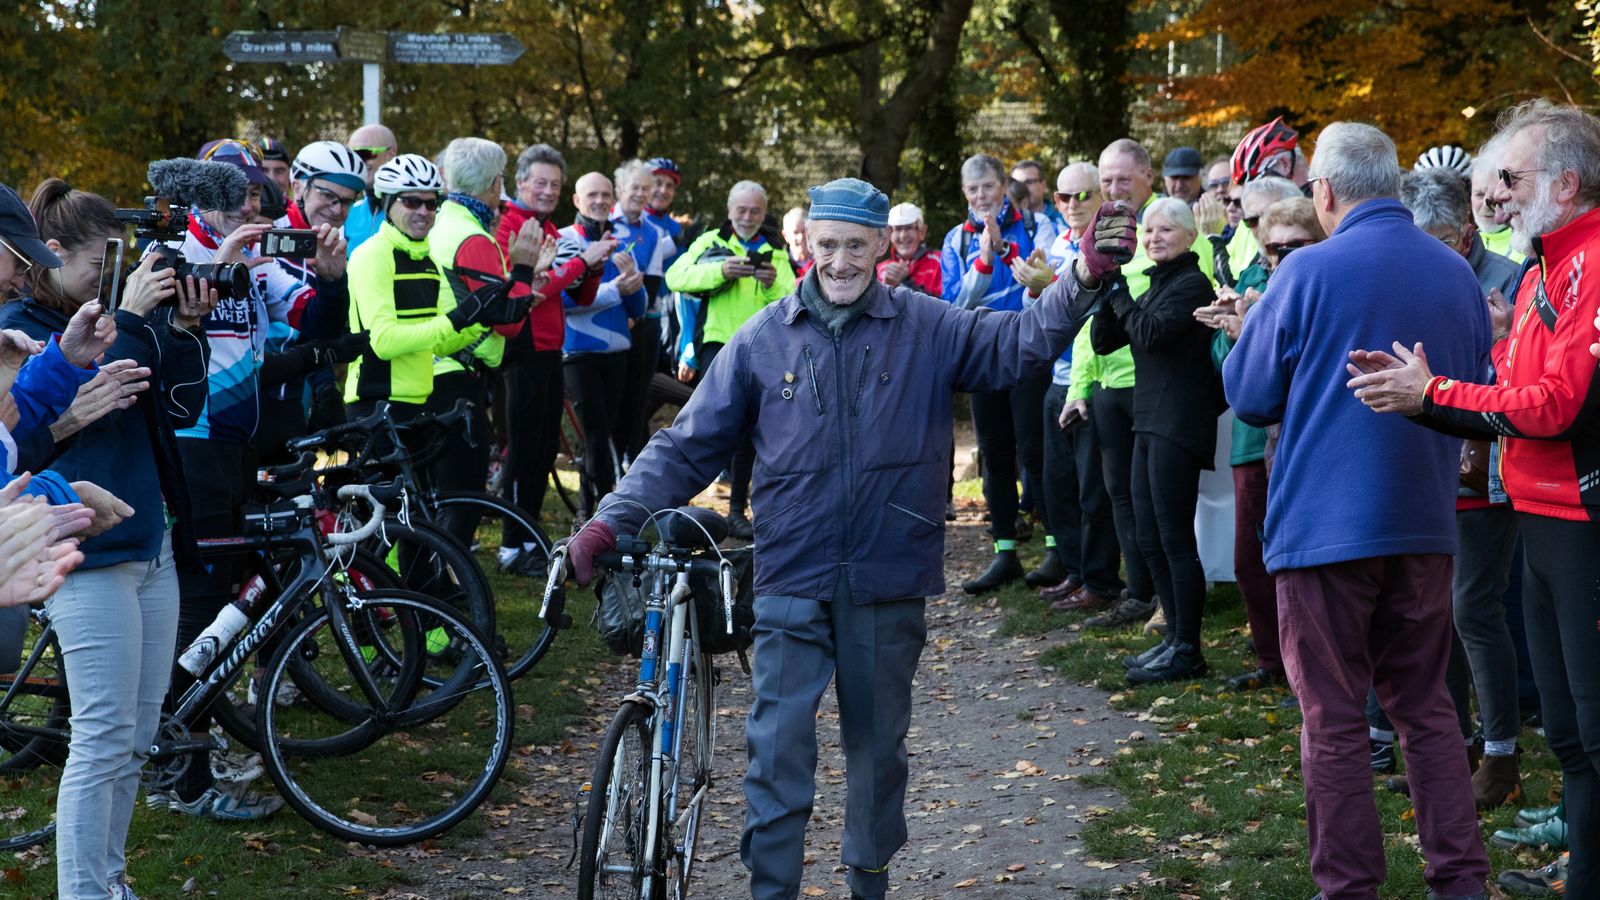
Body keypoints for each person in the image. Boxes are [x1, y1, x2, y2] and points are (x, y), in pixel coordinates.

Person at [562, 177, 1131, 900]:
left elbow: (1018, 343)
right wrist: (609, 520)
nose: (839, 261)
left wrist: (1082, 274)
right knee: (775, 754)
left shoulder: (927, 324)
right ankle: (773, 893)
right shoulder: (764, 338)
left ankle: (869, 886)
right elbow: (685, 446)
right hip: (790, 574)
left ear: (880, 245)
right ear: (809, 245)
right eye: (827, 245)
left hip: (887, 577)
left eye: (854, 246)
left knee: (875, 755)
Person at [1226, 121, 1492, 900]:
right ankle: (1461, 880)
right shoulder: (1456, 275)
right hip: (1424, 522)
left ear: (1326, 191)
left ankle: (1348, 887)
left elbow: (1248, 394)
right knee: (1427, 707)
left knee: (1334, 718)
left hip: (1322, 530)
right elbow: (1470, 390)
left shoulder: (1305, 271)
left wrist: (1253, 329)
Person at [1347, 100, 1600, 899]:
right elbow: (1519, 390)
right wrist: (1455, 378)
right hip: (1540, 516)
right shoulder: (1541, 269)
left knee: (1592, 731)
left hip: (1584, 525)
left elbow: (1557, 404)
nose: (1494, 197)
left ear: (1564, 184)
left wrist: (1434, 393)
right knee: (1566, 732)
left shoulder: (1592, 261)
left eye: (1508, 179)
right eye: (1492, 180)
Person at [5, 178, 214, 900]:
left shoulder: (113, 318)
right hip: (84, 558)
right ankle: (83, 893)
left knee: (134, 735)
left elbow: (175, 403)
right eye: (103, 267)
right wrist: (123, 319)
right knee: (98, 739)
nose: (115, 281)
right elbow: (16, 449)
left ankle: (110, 883)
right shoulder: (20, 324)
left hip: (149, 545)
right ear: (52, 254)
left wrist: (182, 330)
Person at [152, 138, 346, 821]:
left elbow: (311, 323)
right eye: (234, 195)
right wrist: (218, 269)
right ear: (203, 199)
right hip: (189, 449)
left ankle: (180, 737)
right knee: (201, 602)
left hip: (240, 449)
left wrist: (329, 277)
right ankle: (185, 772)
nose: (248, 206)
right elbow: (149, 340)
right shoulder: (173, 257)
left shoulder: (261, 264)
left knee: (235, 593)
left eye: (256, 194)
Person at [1195, 197, 1326, 691]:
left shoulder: (1322, 285)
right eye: (1274, 246)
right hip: (1253, 442)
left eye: (1297, 243)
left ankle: (1307, 676)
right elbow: (1226, 364)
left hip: (1305, 446)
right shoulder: (1254, 284)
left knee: (1303, 567)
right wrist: (1235, 333)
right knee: (1252, 563)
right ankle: (1274, 661)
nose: (1283, 254)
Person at [1091, 197, 1217, 684]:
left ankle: (1189, 648)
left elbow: (1148, 334)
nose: (1153, 238)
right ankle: (1173, 638)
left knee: (1174, 537)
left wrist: (1120, 290)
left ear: (1189, 236)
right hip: (1149, 421)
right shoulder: (1157, 283)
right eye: (1148, 232)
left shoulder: (1192, 284)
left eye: (1166, 230)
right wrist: (1107, 293)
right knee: (1148, 535)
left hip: (1178, 423)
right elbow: (1107, 342)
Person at [493, 144, 608, 569]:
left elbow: (575, 294)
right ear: (520, 183)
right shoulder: (509, 225)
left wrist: (591, 269)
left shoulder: (552, 230)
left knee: (543, 450)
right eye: (539, 182)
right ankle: (510, 544)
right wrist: (582, 263)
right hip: (520, 345)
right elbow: (531, 290)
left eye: (554, 184)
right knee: (522, 449)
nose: (546, 191)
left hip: (550, 347)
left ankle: (527, 538)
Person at [941, 153, 1052, 592]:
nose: (982, 197)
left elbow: (1046, 276)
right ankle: (1004, 550)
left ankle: (1054, 547)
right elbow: (954, 304)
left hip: (1027, 346)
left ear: (1003, 186)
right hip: (981, 351)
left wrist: (1004, 250)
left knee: (1036, 450)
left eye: (988, 187)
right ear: (964, 194)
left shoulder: (1036, 224)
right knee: (995, 454)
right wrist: (984, 261)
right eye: (973, 190)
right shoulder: (957, 238)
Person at [344, 154, 525, 418]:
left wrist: (481, 319)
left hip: (421, 400)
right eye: (412, 201)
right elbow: (383, 341)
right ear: (388, 201)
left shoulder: (426, 259)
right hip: (376, 401)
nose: (423, 212)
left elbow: (439, 344)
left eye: (432, 204)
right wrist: (458, 318)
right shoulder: (373, 255)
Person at [665, 180, 795, 539]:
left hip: (765, 346)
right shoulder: (711, 242)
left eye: (755, 211)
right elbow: (676, 277)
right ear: (729, 210)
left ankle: (738, 512)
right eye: (741, 210)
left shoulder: (776, 248)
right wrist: (720, 271)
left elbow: (794, 295)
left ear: (764, 213)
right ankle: (680, 503)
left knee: (753, 431)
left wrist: (769, 283)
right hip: (718, 345)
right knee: (706, 423)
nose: (748, 217)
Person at [429, 138, 548, 520]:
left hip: (428, 367)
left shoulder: (438, 221)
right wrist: (525, 270)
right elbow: (507, 322)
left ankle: (426, 579)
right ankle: (445, 581)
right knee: (462, 500)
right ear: (495, 183)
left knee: (432, 498)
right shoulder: (473, 237)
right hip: (457, 377)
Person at [1040, 163, 1125, 613]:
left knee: (1093, 490)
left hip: (1090, 379)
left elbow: (1098, 315)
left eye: (1082, 196)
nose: (1071, 205)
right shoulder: (1056, 243)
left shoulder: (1110, 244)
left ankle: (1100, 581)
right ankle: (1074, 572)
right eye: (1063, 197)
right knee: (1058, 483)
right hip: (1055, 376)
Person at [610, 160, 676, 467]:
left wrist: (634, 318)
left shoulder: (653, 233)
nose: (640, 194)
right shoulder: (604, 222)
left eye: (644, 189)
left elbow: (651, 282)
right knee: (610, 402)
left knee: (635, 404)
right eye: (634, 187)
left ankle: (628, 470)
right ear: (620, 189)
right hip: (605, 322)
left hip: (641, 324)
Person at [342, 123, 399, 253]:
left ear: (390, 156)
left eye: (365, 154)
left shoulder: (410, 210)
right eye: (353, 156)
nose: (359, 162)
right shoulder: (349, 211)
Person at [875, 203, 942, 296]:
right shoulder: (880, 269)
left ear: (922, 231)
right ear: (889, 234)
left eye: (909, 228)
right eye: (897, 229)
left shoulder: (940, 262)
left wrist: (906, 282)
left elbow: (947, 306)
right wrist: (886, 289)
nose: (903, 236)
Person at [1012, 158, 1065, 228]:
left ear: (1043, 185)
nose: (1022, 187)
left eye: (1028, 182)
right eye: (1017, 183)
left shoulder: (1064, 220)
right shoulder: (1003, 223)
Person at [782, 207, 813, 278]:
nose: (801, 237)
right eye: (795, 233)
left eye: (804, 231)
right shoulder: (780, 263)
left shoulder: (823, 260)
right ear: (785, 235)